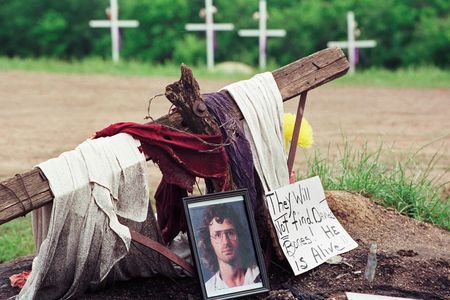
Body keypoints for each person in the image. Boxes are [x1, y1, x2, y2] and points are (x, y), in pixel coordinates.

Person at [198, 204, 261, 292]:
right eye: (217, 235)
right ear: (209, 242)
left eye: (230, 233)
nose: (226, 242)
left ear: (239, 235)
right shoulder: (209, 289)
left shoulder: (259, 275)